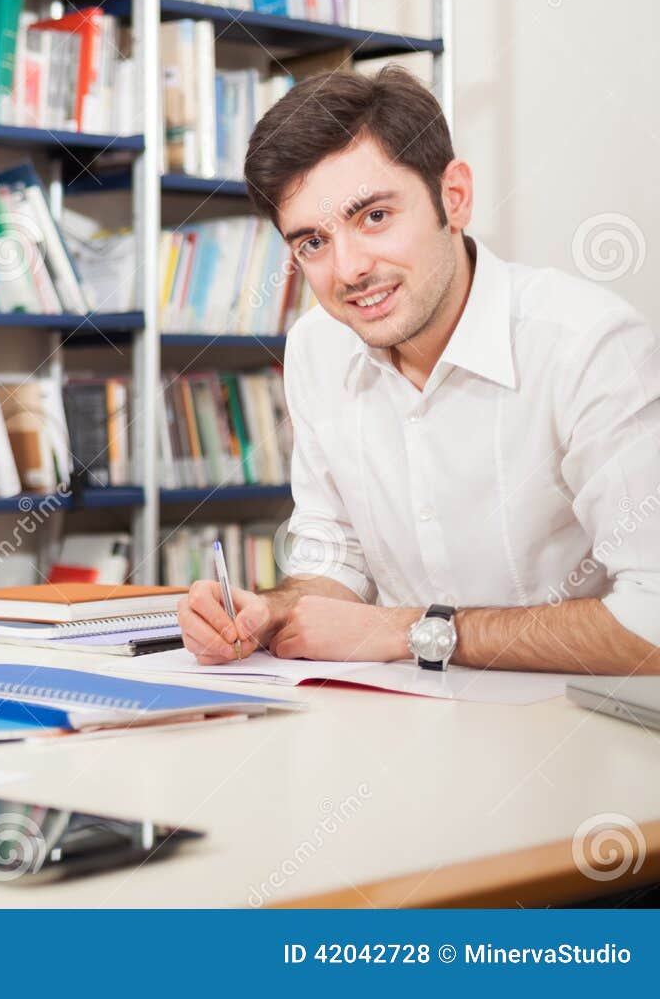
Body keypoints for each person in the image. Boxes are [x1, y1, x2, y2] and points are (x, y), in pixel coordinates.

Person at [178, 66, 660, 676]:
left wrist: (412, 631)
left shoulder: (590, 345)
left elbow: (652, 618)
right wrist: (269, 613)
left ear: (453, 197)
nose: (349, 269)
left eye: (374, 216)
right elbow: (337, 559)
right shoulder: (317, 347)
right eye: (313, 243)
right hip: (405, 715)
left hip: (572, 722)